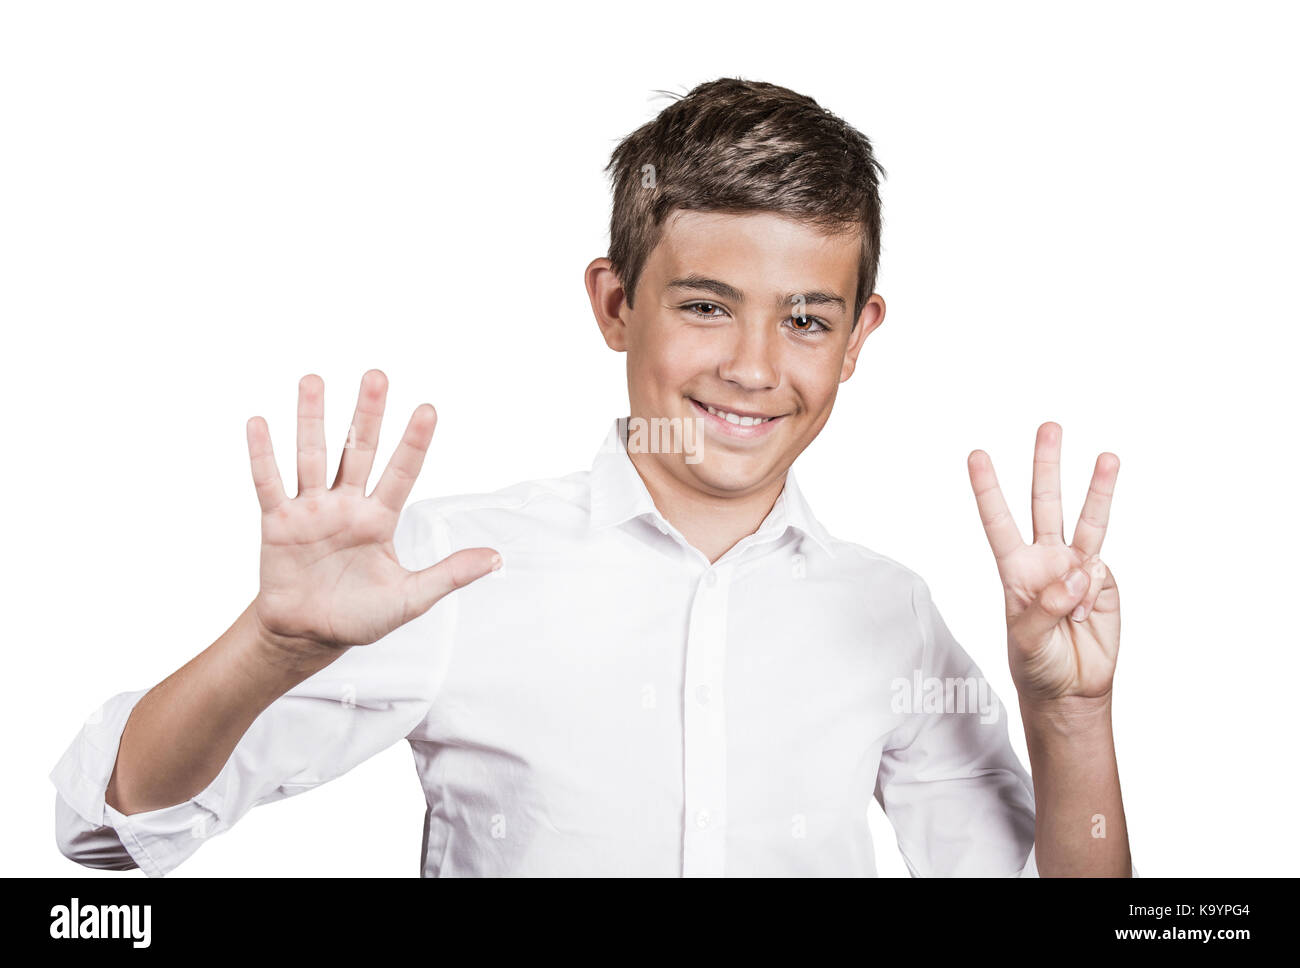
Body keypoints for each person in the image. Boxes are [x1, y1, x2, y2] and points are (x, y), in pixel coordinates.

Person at [51, 77, 1133, 877]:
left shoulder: (886, 611)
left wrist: (1072, 713)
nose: (754, 366)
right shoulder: (445, 571)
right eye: (704, 304)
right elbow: (114, 823)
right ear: (615, 304)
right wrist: (269, 645)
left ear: (858, 336)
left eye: (807, 318)